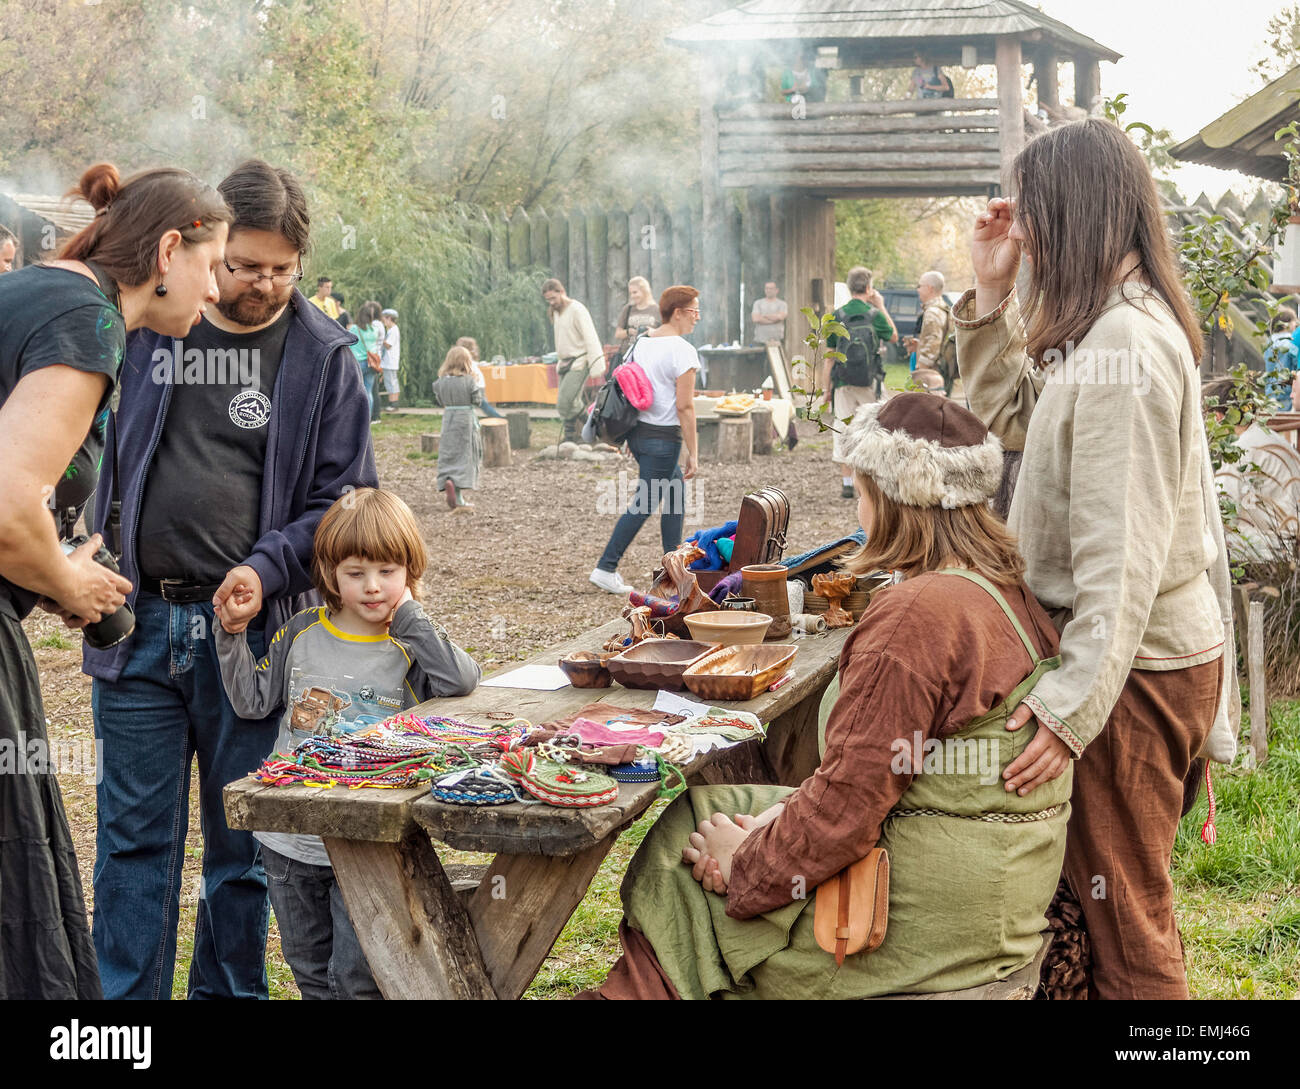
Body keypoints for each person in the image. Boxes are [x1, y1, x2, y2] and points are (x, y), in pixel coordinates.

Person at [584, 394, 1070, 1000]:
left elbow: (846, 809)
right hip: (998, 894)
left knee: (681, 856)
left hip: (924, 928)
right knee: (706, 812)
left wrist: (749, 866)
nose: (858, 505)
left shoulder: (917, 617)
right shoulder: (1004, 590)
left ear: (893, 499)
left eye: (862, 490)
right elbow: (868, 783)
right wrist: (765, 824)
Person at [958, 118, 1239, 999]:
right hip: (1136, 662)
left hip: (1136, 670)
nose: (1024, 232)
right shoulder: (1110, 327)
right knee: (1103, 903)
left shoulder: (1127, 346)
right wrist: (991, 293)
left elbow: (1122, 559)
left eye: (1033, 213)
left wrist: (1070, 707)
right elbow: (1006, 420)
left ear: (1073, 210)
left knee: (1125, 921)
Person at [86, 159, 377, 1001]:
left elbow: (343, 503)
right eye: (244, 265)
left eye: (280, 270)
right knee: (131, 841)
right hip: (136, 620)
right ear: (209, 248)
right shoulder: (149, 326)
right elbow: (94, 445)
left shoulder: (325, 358)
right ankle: (119, 1021)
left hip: (251, 637)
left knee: (242, 843)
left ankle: (227, 993)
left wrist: (264, 564)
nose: (260, 285)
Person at [0, 162, 232, 999]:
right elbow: (4, 501)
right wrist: (66, 578)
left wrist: (52, 568)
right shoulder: (90, 321)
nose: (213, 293)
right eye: (212, 265)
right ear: (170, 250)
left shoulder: (35, 287)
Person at [215, 488, 479, 1000]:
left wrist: (411, 617)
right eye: (356, 573)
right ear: (330, 574)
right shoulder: (300, 632)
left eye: (388, 571)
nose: (373, 587)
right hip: (289, 839)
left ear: (410, 570)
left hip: (372, 840)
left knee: (359, 978)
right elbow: (251, 702)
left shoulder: (411, 643)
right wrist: (232, 635)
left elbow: (461, 681)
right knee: (310, 971)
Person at [590, 286, 700, 595]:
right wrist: (694, 451)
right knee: (646, 500)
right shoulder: (682, 350)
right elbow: (685, 407)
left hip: (638, 435)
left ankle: (675, 567)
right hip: (663, 441)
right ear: (677, 312)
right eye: (694, 311)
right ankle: (606, 567)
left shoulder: (642, 342)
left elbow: (631, 388)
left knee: (674, 490)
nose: (697, 318)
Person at [1205, 377, 1300, 562]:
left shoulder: (1243, 449)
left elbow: (1221, 510)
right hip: (1286, 541)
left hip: (1275, 548)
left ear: (1217, 416)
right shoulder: (1267, 437)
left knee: (1209, 544)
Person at [824, 266, 897, 497]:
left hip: (843, 383)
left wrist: (826, 390)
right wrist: (881, 305)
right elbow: (893, 336)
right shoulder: (874, 315)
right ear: (868, 287)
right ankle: (871, 484)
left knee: (844, 429)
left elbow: (829, 357)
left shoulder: (837, 315)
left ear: (848, 287)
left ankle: (847, 483)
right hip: (869, 382)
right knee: (873, 428)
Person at [543, 278, 606, 443]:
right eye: (548, 300)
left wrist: (596, 363)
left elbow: (590, 336)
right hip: (564, 363)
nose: (551, 302)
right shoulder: (556, 311)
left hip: (579, 362)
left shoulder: (577, 309)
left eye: (553, 298)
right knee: (570, 402)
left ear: (561, 292)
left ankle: (597, 430)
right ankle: (570, 438)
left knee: (565, 402)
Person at [433, 345, 484, 511]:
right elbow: (478, 400)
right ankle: (459, 493)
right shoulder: (469, 381)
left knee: (449, 453)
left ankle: (449, 480)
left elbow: (441, 401)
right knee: (465, 454)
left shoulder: (440, 383)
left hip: (448, 420)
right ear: (467, 362)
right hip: (465, 420)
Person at [906, 270, 954, 395]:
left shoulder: (932, 312)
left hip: (931, 377)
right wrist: (919, 345)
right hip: (940, 373)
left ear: (929, 288)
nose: (918, 290)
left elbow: (933, 343)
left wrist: (920, 371)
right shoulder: (943, 309)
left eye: (919, 286)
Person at [350, 300, 385, 422]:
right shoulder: (374, 329)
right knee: (368, 391)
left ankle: (355, 418)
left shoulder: (354, 329)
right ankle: (367, 419)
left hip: (357, 363)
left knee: (355, 391)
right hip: (372, 364)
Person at [456, 336, 503, 419]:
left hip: (476, 385)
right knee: (484, 405)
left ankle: (498, 419)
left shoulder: (464, 359)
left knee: (484, 405)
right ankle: (496, 419)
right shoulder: (468, 359)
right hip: (478, 385)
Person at [614, 276, 660, 356]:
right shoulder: (628, 309)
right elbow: (618, 334)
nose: (632, 296)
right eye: (631, 293)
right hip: (628, 354)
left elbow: (664, 333)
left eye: (635, 292)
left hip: (650, 354)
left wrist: (651, 332)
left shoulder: (657, 310)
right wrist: (629, 332)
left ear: (644, 291)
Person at [1263, 307, 1297, 410]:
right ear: (1286, 324)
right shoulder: (1291, 344)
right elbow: (1296, 366)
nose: (1296, 324)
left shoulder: (1269, 343)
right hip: (1286, 394)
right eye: (1293, 321)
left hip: (1270, 393)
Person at [750, 281, 787, 346]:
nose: (768, 290)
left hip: (777, 341)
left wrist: (763, 316)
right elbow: (755, 319)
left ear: (777, 290)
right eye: (767, 288)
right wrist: (774, 320)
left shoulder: (782, 304)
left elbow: (780, 317)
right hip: (760, 340)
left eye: (771, 288)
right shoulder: (758, 303)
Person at [379, 307, 401, 411]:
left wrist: (379, 338)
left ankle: (393, 404)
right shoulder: (391, 330)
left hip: (390, 361)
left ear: (389, 318)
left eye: (384, 319)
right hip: (388, 361)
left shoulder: (393, 330)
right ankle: (392, 403)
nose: (384, 322)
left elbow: (388, 345)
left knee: (391, 382)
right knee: (390, 382)